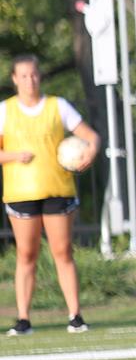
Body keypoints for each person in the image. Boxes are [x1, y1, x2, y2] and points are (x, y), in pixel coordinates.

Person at [1, 54, 100, 334]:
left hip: (57, 189)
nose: (30, 80)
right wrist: (13, 155)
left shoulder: (58, 106)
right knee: (26, 253)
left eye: (33, 74)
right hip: (21, 192)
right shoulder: (5, 111)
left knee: (62, 251)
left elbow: (91, 137)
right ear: (14, 79)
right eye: (23, 76)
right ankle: (23, 319)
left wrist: (89, 152)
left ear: (39, 76)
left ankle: (75, 315)